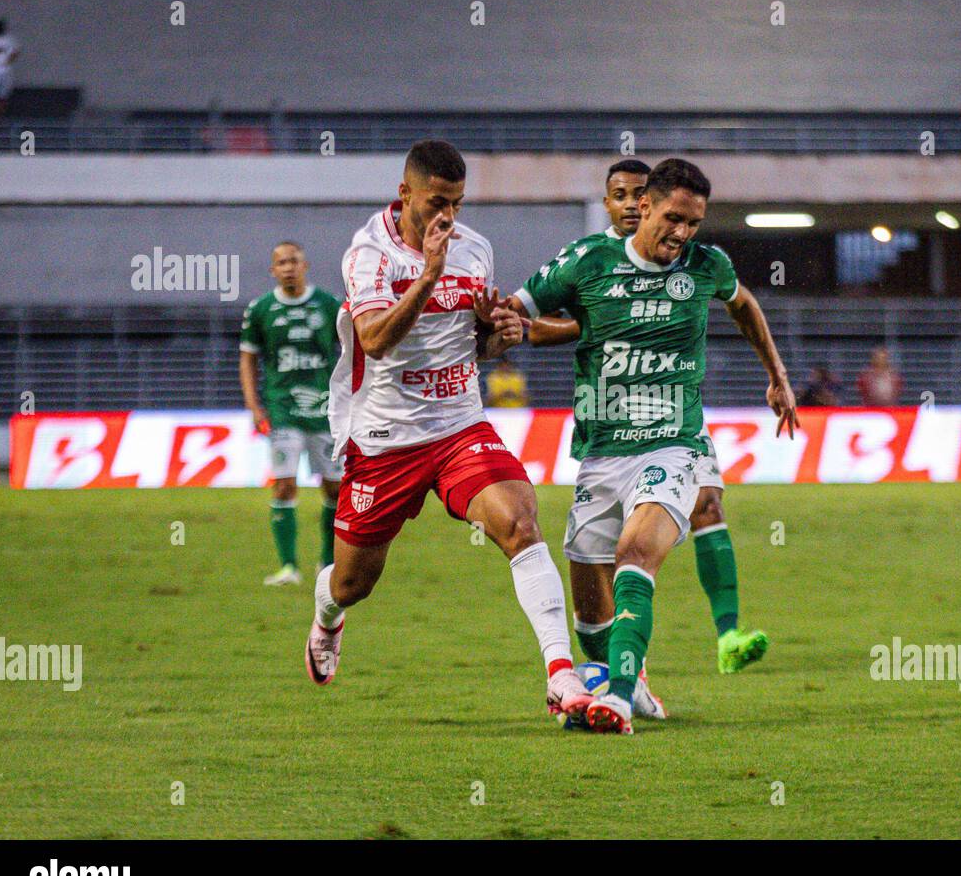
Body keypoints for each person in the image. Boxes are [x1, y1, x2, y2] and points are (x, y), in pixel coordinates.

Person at [505, 157, 798, 734]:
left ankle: (613, 698)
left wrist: (778, 374)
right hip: (601, 449)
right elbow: (517, 316)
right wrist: (495, 326)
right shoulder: (586, 262)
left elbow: (744, 305)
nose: (683, 233)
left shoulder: (706, 266)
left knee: (636, 554)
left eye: (694, 223)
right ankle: (628, 677)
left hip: (673, 445)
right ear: (645, 207)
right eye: (673, 218)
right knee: (592, 620)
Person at [305, 139, 594, 722]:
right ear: (404, 193)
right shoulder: (369, 254)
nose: (448, 218)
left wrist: (498, 333)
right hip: (385, 439)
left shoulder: (475, 250)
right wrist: (430, 274)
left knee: (520, 520)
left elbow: (475, 344)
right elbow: (377, 341)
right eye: (437, 203)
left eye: (458, 204)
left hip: (459, 425)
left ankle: (560, 675)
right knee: (353, 585)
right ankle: (326, 616)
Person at [239, 242, 342, 585]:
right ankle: (288, 567)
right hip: (283, 411)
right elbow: (248, 359)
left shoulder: (329, 306)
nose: (287, 267)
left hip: (325, 410)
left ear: (305, 265)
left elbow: (356, 350)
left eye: (293, 261)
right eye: (281, 263)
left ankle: (326, 564)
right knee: (283, 486)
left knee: (335, 488)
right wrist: (254, 405)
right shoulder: (261, 309)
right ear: (273, 270)